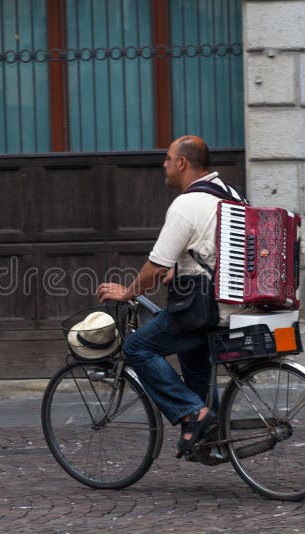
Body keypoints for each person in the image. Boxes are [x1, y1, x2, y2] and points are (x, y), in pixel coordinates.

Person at [97, 135, 242, 457]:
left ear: (182, 163)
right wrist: (180, 270)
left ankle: (195, 414)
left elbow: (153, 267)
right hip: (231, 304)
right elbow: (221, 252)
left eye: (167, 158)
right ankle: (210, 440)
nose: (163, 164)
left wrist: (128, 292)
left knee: (138, 347)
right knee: (194, 362)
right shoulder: (230, 195)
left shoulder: (187, 204)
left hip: (202, 308)